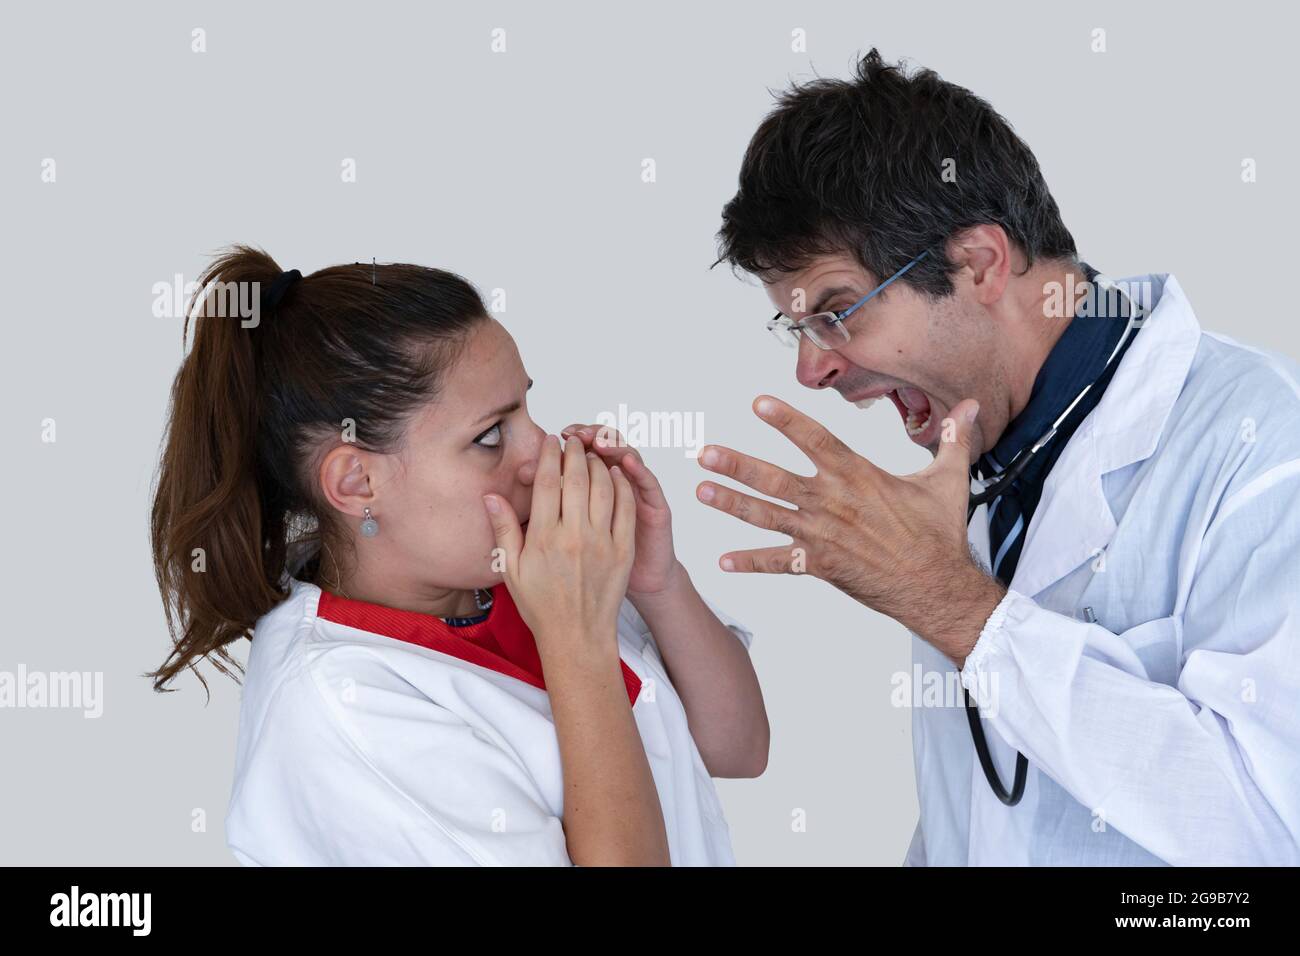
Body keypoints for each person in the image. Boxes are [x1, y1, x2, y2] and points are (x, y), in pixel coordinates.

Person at [701, 49, 1300, 865]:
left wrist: (953, 606)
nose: (813, 370)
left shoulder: (1265, 446)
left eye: (838, 313)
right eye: (799, 328)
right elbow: (982, 821)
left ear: (979, 262)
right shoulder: (981, 466)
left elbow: (1269, 827)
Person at [148, 245, 768, 866]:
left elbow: (735, 750)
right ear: (358, 484)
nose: (544, 453)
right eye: (490, 436)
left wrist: (657, 584)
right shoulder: (345, 714)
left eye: (527, 408)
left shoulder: (517, 576)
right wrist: (576, 640)